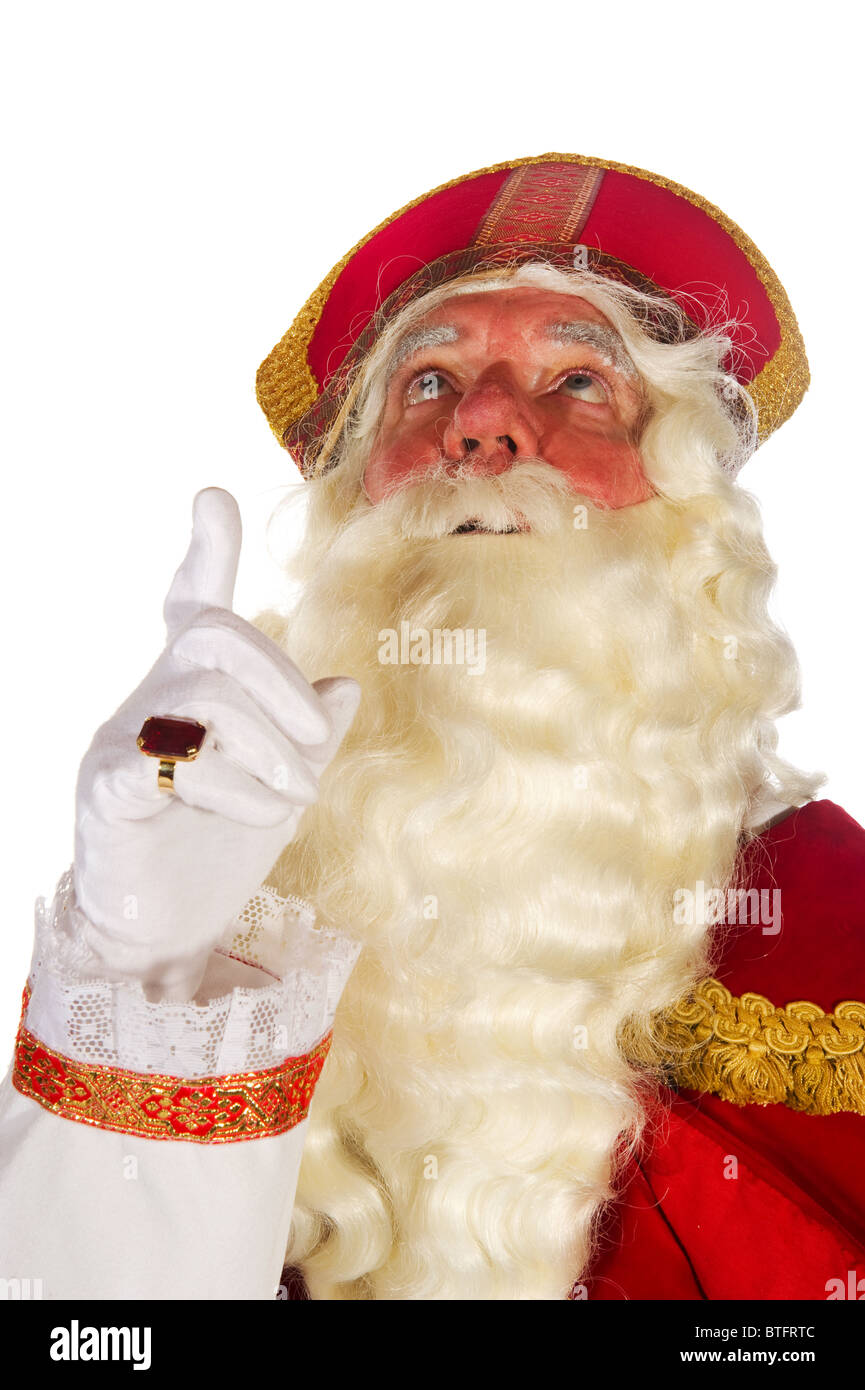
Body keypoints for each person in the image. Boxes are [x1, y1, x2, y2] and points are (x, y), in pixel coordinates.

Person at [1, 154, 863, 1302]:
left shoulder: (826, 934)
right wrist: (140, 966)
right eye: (425, 382)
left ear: (682, 509)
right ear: (356, 501)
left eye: (577, 383)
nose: (485, 425)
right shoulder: (231, 916)